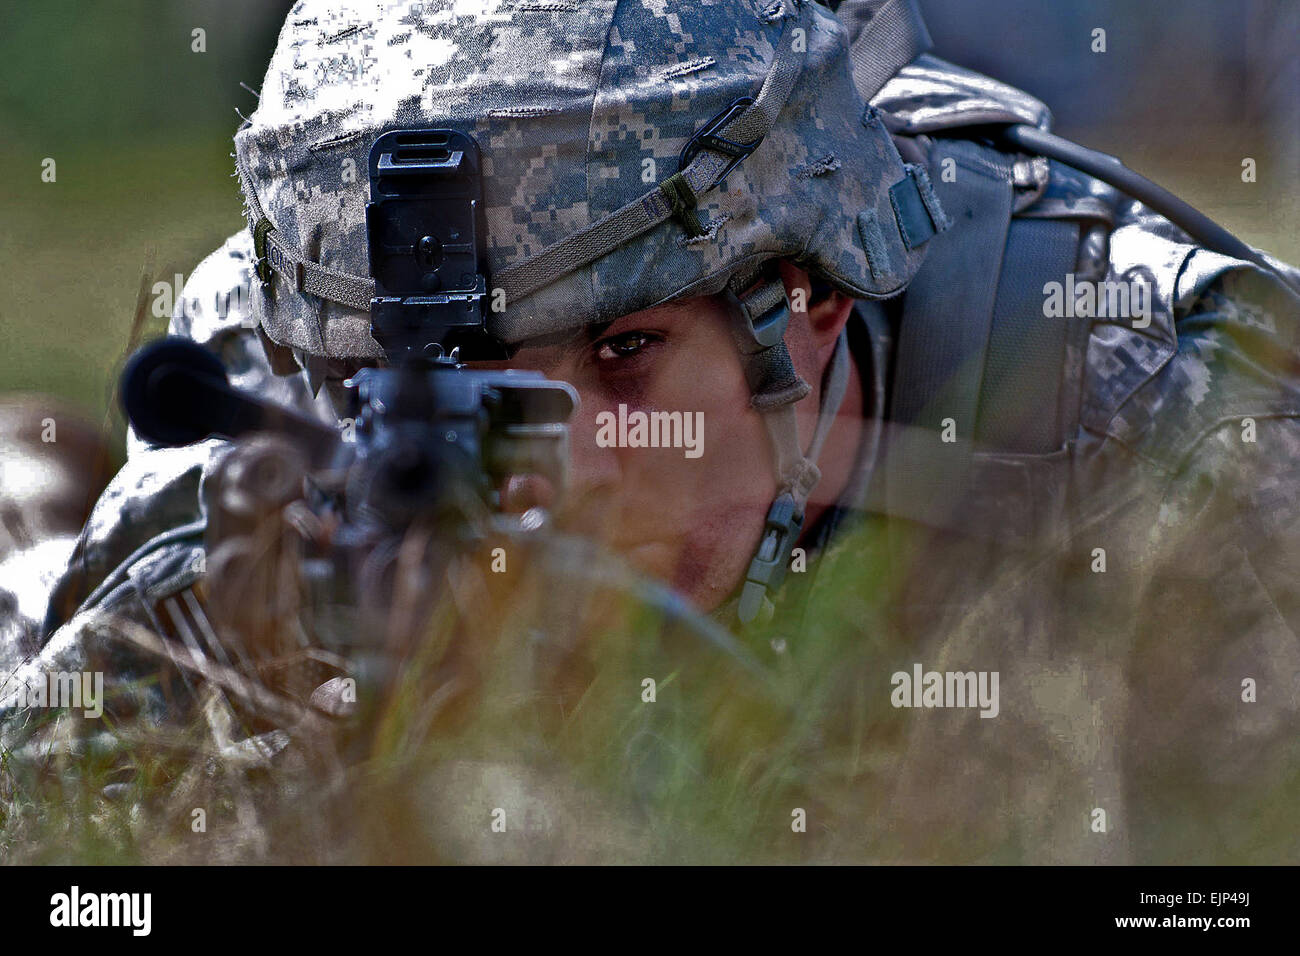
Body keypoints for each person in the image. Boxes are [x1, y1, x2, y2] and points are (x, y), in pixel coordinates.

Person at [3, 0, 1298, 863]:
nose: (552, 475)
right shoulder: (283, 360)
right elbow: (61, 793)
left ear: (819, 292)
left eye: (624, 357)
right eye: (464, 381)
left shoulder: (1136, 372)